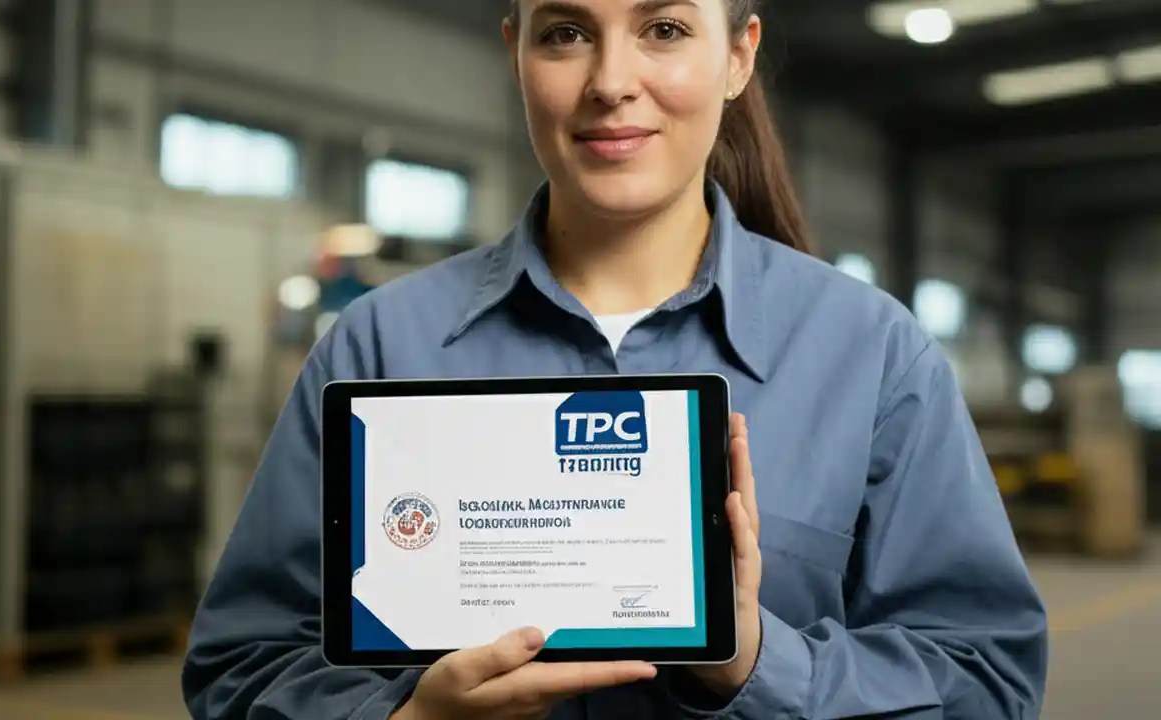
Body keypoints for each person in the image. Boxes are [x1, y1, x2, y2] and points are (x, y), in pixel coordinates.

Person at [181, 0, 1049, 718]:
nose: (610, 83)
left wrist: (758, 663)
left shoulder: (871, 355)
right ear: (514, 50)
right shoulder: (377, 347)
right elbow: (241, 668)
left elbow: (988, 681)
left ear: (739, 57)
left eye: (664, 30)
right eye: (564, 33)